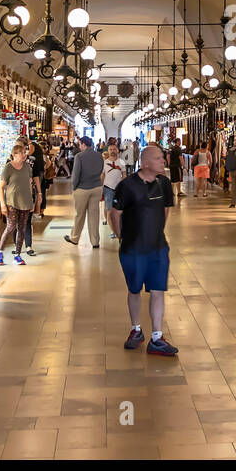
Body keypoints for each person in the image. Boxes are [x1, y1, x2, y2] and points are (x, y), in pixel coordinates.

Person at [111, 145, 179, 356]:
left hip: (158, 248)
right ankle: (136, 329)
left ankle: (157, 337)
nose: (163, 162)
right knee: (134, 290)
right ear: (146, 162)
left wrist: (156, 232)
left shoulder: (164, 184)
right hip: (132, 248)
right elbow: (115, 214)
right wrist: (124, 237)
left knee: (158, 290)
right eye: (159, 159)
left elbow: (165, 210)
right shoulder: (127, 186)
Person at [0, 142, 34, 265]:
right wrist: (2, 204)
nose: (24, 154)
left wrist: (32, 200)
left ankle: (17, 255)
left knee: (22, 229)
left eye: (25, 152)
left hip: (25, 202)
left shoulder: (27, 167)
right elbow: (0, 187)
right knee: (11, 227)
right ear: (14, 154)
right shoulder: (8, 167)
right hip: (12, 202)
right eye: (22, 152)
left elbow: (29, 184)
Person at [65, 136, 105, 248]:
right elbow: (101, 169)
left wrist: (74, 187)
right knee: (94, 215)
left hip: (82, 188)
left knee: (80, 214)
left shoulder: (79, 156)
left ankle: (75, 238)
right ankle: (95, 241)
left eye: (80, 144)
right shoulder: (99, 155)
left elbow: (76, 174)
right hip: (97, 187)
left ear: (83, 144)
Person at [102, 144, 125, 238]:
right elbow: (102, 175)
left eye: (114, 149)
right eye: (110, 149)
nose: (112, 151)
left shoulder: (121, 162)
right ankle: (113, 231)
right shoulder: (104, 162)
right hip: (108, 188)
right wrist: (100, 186)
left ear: (117, 150)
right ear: (108, 151)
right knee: (109, 210)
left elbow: (124, 174)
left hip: (119, 188)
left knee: (119, 209)